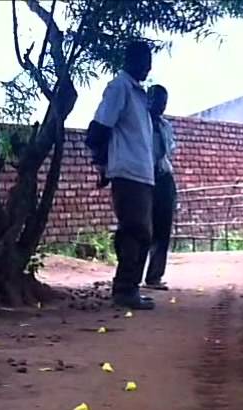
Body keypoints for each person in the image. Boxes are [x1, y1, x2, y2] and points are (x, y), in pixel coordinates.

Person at [88, 41, 156, 311]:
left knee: (143, 232)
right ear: (130, 61)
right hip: (128, 172)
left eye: (149, 62)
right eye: (144, 61)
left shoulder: (138, 94)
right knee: (135, 230)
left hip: (142, 173)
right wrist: (102, 164)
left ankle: (130, 288)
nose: (148, 67)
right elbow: (98, 130)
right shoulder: (120, 88)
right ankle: (125, 289)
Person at [144, 84, 177, 291]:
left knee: (163, 229)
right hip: (144, 178)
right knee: (142, 228)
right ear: (148, 100)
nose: (162, 106)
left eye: (164, 102)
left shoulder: (165, 126)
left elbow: (169, 151)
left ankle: (154, 276)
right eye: (158, 101)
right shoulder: (140, 123)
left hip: (164, 177)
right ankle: (132, 277)